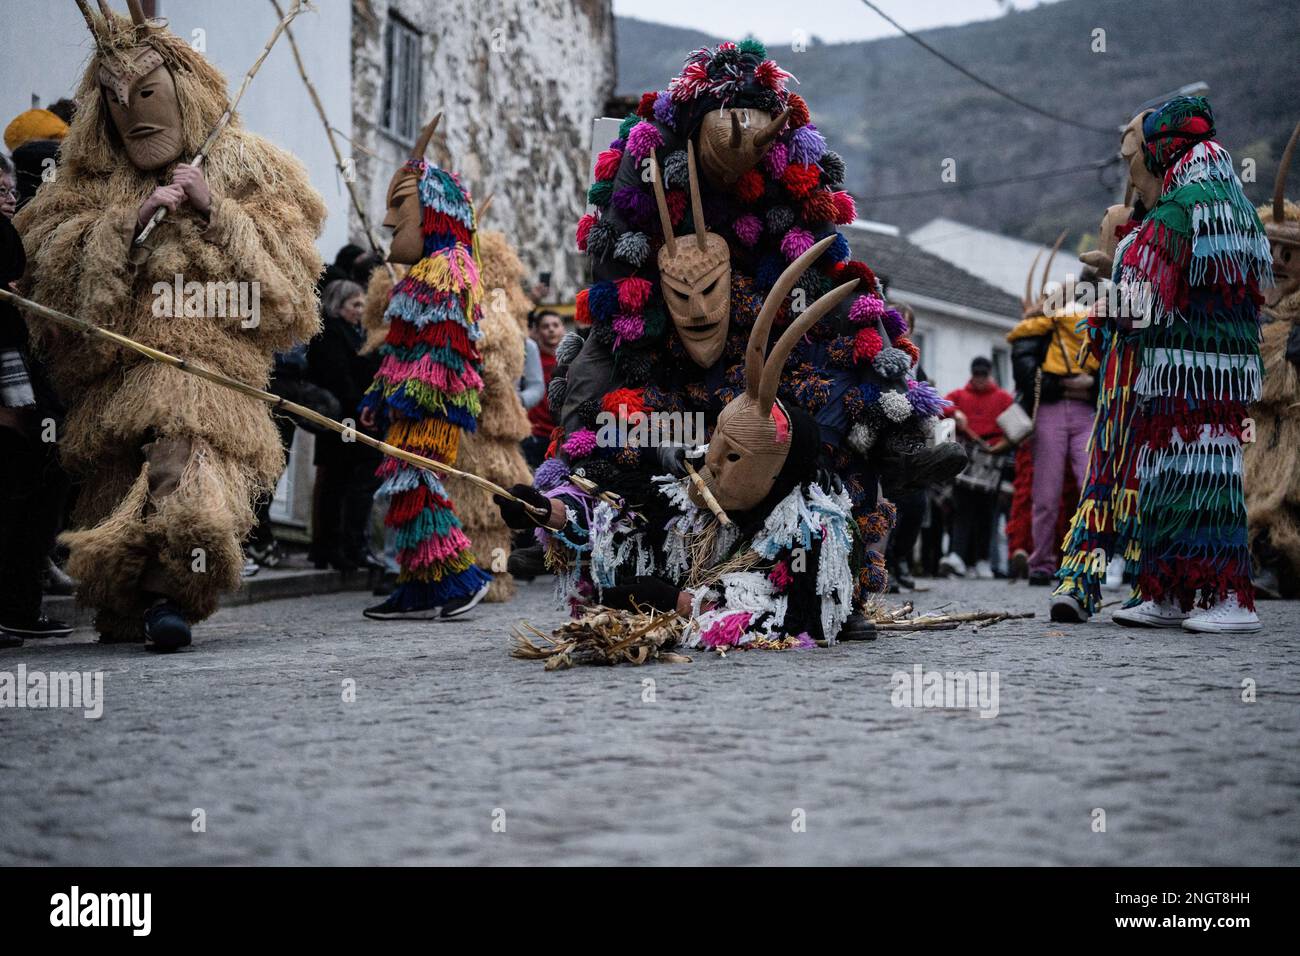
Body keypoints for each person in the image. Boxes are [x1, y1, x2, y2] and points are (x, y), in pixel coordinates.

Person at [16, 4, 325, 650]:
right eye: (117, 100)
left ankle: (167, 595)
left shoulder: (249, 169)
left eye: (148, 93)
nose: (135, 112)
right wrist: (124, 225)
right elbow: (45, 264)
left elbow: (290, 295)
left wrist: (218, 213)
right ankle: (126, 600)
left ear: (183, 91)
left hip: (203, 373)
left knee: (180, 464)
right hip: (114, 373)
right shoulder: (89, 181)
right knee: (114, 487)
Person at [1107, 96, 1270, 633]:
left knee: (1194, 482)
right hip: (1221, 375)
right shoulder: (1239, 208)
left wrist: (1120, 264)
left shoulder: (1180, 209)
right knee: (1191, 477)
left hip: (1185, 374)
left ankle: (1233, 602)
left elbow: (1136, 303)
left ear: (1163, 152)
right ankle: (1171, 595)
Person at [356, 114, 491, 621]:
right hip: (409, 402)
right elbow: (401, 348)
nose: (388, 221)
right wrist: (377, 395)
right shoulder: (421, 273)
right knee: (404, 487)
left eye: (400, 206)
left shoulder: (450, 268)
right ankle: (418, 588)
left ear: (434, 211)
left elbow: (442, 348)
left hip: (432, 404)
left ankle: (460, 579)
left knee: (417, 483)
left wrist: (410, 394)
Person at [0, 211, 71, 646]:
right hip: (11, 406)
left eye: (10, 189)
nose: (9, 197)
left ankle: (20, 608)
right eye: (1, 189)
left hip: (27, 397)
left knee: (45, 481)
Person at [1006, 279, 1099, 585]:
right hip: (1051, 411)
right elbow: (1023, 371)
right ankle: (1042, 562)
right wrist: (1067, 385)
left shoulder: (1094, 322)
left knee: (1089, 486)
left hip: (1085, 411)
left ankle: (1085, 559)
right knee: (1046, 493)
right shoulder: (1038, 326)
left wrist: (1091, 384)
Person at [307, 280, 381, 572]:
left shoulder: (355, 333)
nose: (360, 310)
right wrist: (361, 406)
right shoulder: (330, 334)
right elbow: (338, 376)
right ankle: (330, 546)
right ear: (338, 306)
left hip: (354, 417)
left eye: (362, 304)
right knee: (336, 483)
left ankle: (349, 545)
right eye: (355, 305)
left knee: (348, 482)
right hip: (342, 420)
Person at [940, 357, 1013, 579]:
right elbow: (940, 406)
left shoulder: (1003, 398)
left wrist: (1002, 445)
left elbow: (1016, 424)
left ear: (989, 374)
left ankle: (983, 560)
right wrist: (955, 414)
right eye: (977, 374)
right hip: (966, 460)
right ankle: (957, 556)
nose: (980, 379)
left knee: (986, 513)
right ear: (972, 374)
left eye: (983, 374)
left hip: (992, 461)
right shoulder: (959, 395)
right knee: (961, 510)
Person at [522, 309, 563, 468]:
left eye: (555, 325)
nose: (551, 329)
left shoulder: (573, 361)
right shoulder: (529, 360)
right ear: (536, 332)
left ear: (563, 329)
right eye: (546, 326)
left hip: (561, 435)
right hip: (535, 434)